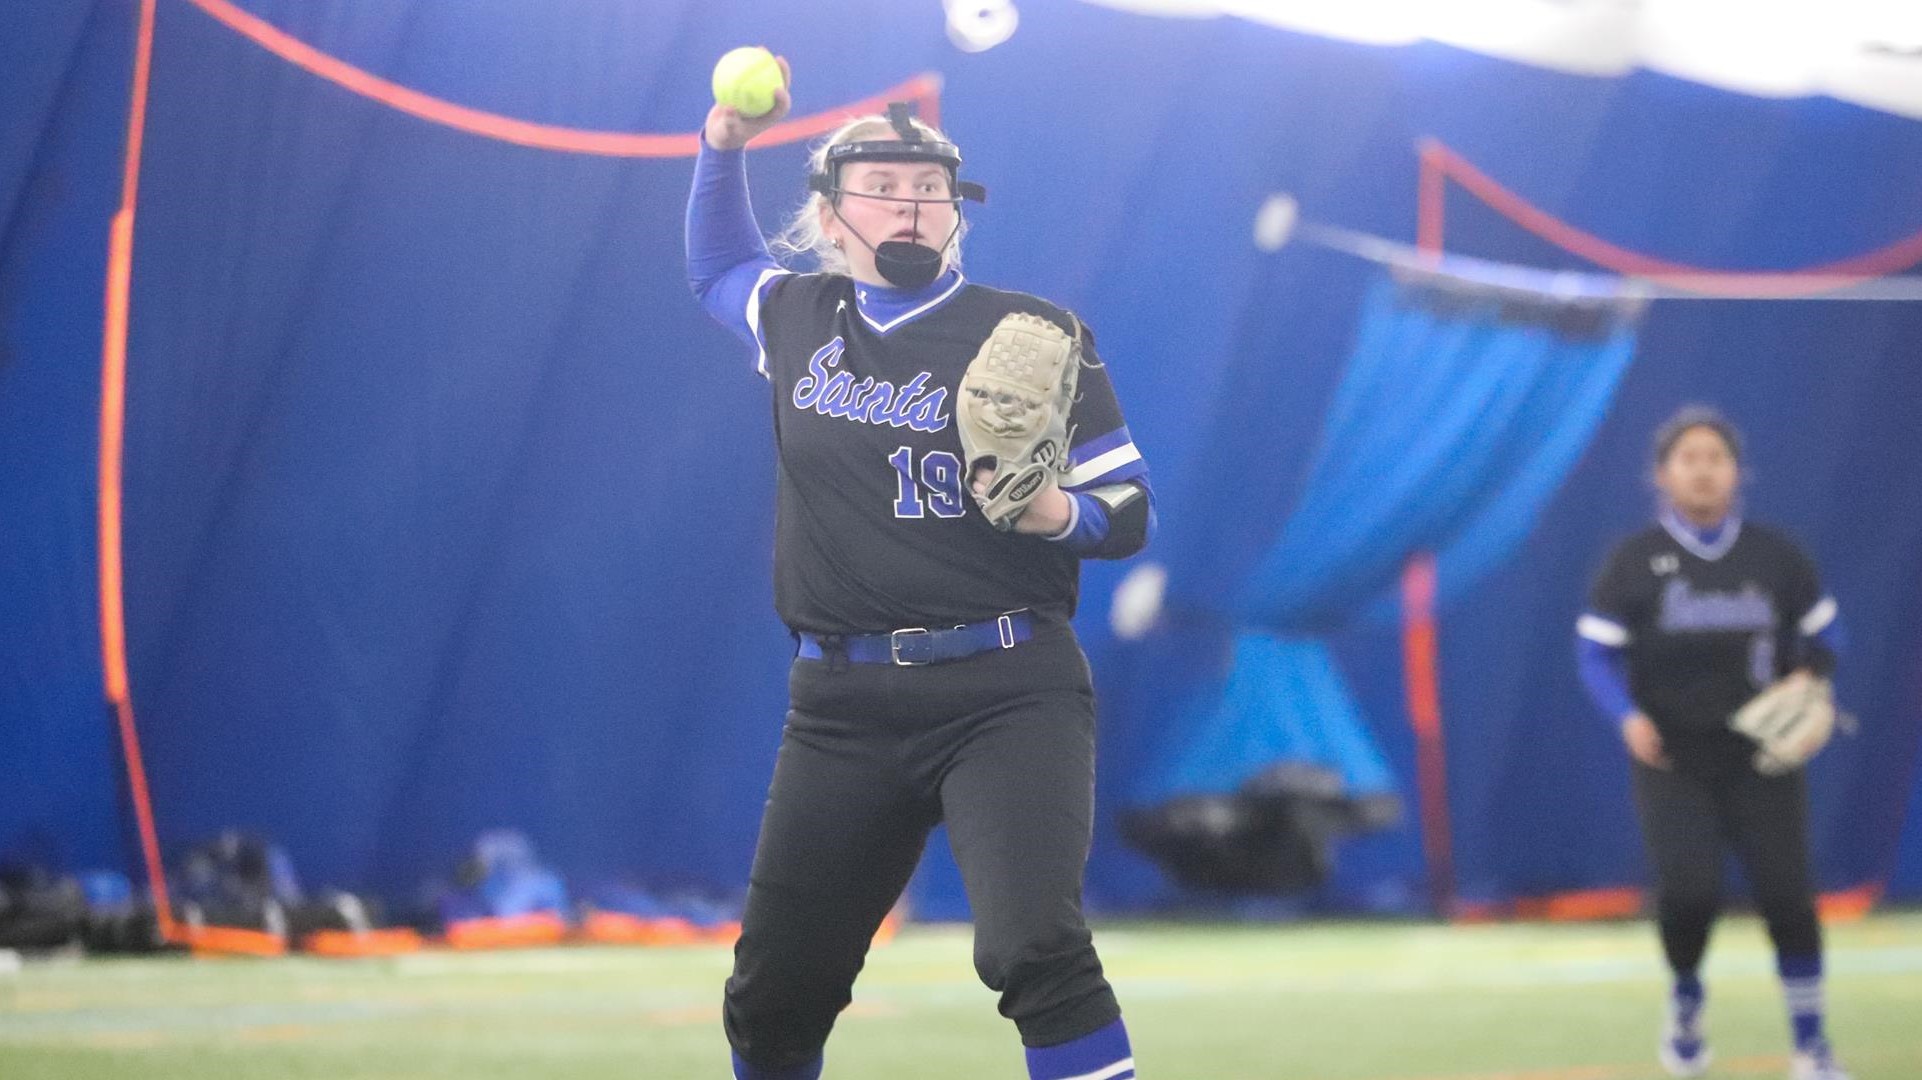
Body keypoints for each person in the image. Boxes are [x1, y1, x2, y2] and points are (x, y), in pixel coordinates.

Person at [687, 57, 1153, 1080]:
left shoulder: (1032, 335)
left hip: (1006, 689)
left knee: (1030, 946)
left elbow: (1125, 513)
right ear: (829, 213)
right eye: (882, 188)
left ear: (956, 214)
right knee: (773, 995)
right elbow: (717, 265)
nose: (908, 206)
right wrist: (720, 147)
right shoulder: (798, 317)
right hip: (840, 703)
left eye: (928, 190)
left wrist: (1050, 510)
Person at [1575, 407, 1848, 1080]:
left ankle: (1811, 1046)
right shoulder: (1634, 561)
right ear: (1662, 473)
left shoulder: (1774, 555)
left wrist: (1813, 685)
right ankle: (1688, 999)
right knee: (1690, 893)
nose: (1703, 469)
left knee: (1788, 896)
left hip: (1763, 755)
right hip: (1673, 756)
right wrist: (1626, 717)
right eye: (1688, 457)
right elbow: (1594, 654)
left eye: (1716, 456)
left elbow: (1827, 639)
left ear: (1737, 471)